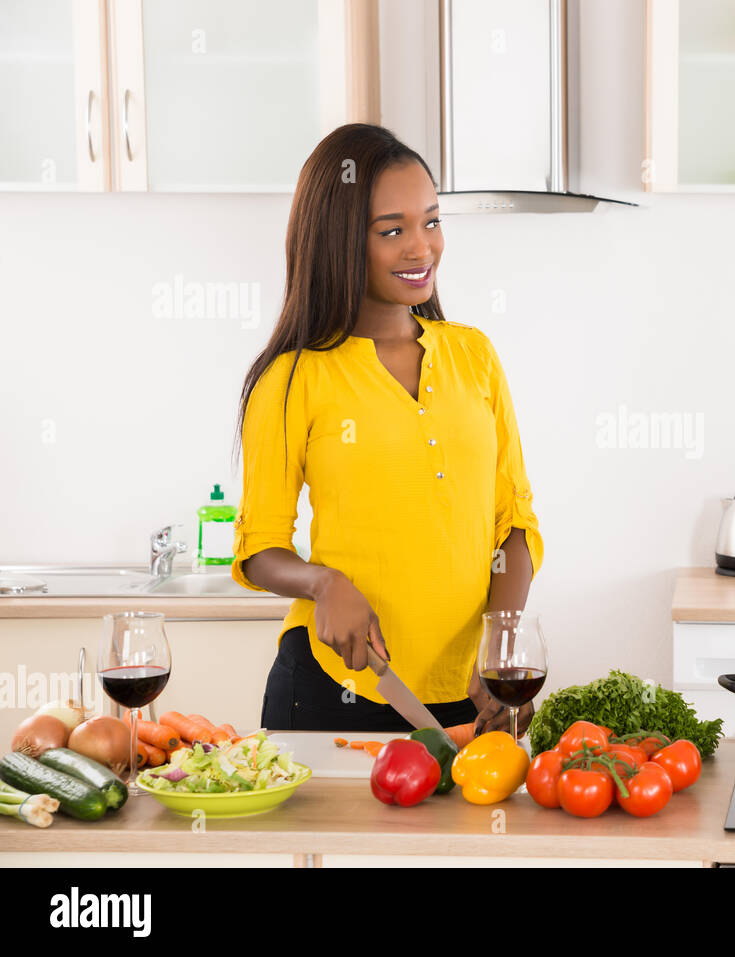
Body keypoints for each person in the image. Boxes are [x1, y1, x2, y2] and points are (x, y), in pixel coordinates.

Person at [231, 123, 543, 735]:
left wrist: (500, 646)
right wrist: (323, 584)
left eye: (431, 221)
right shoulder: (294, 379)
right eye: (392, 230)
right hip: (331, 692)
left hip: (467, 696)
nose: (421, 248)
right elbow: (258, 547)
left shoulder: (473, 355)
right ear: (339, 240)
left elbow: (516, 523)